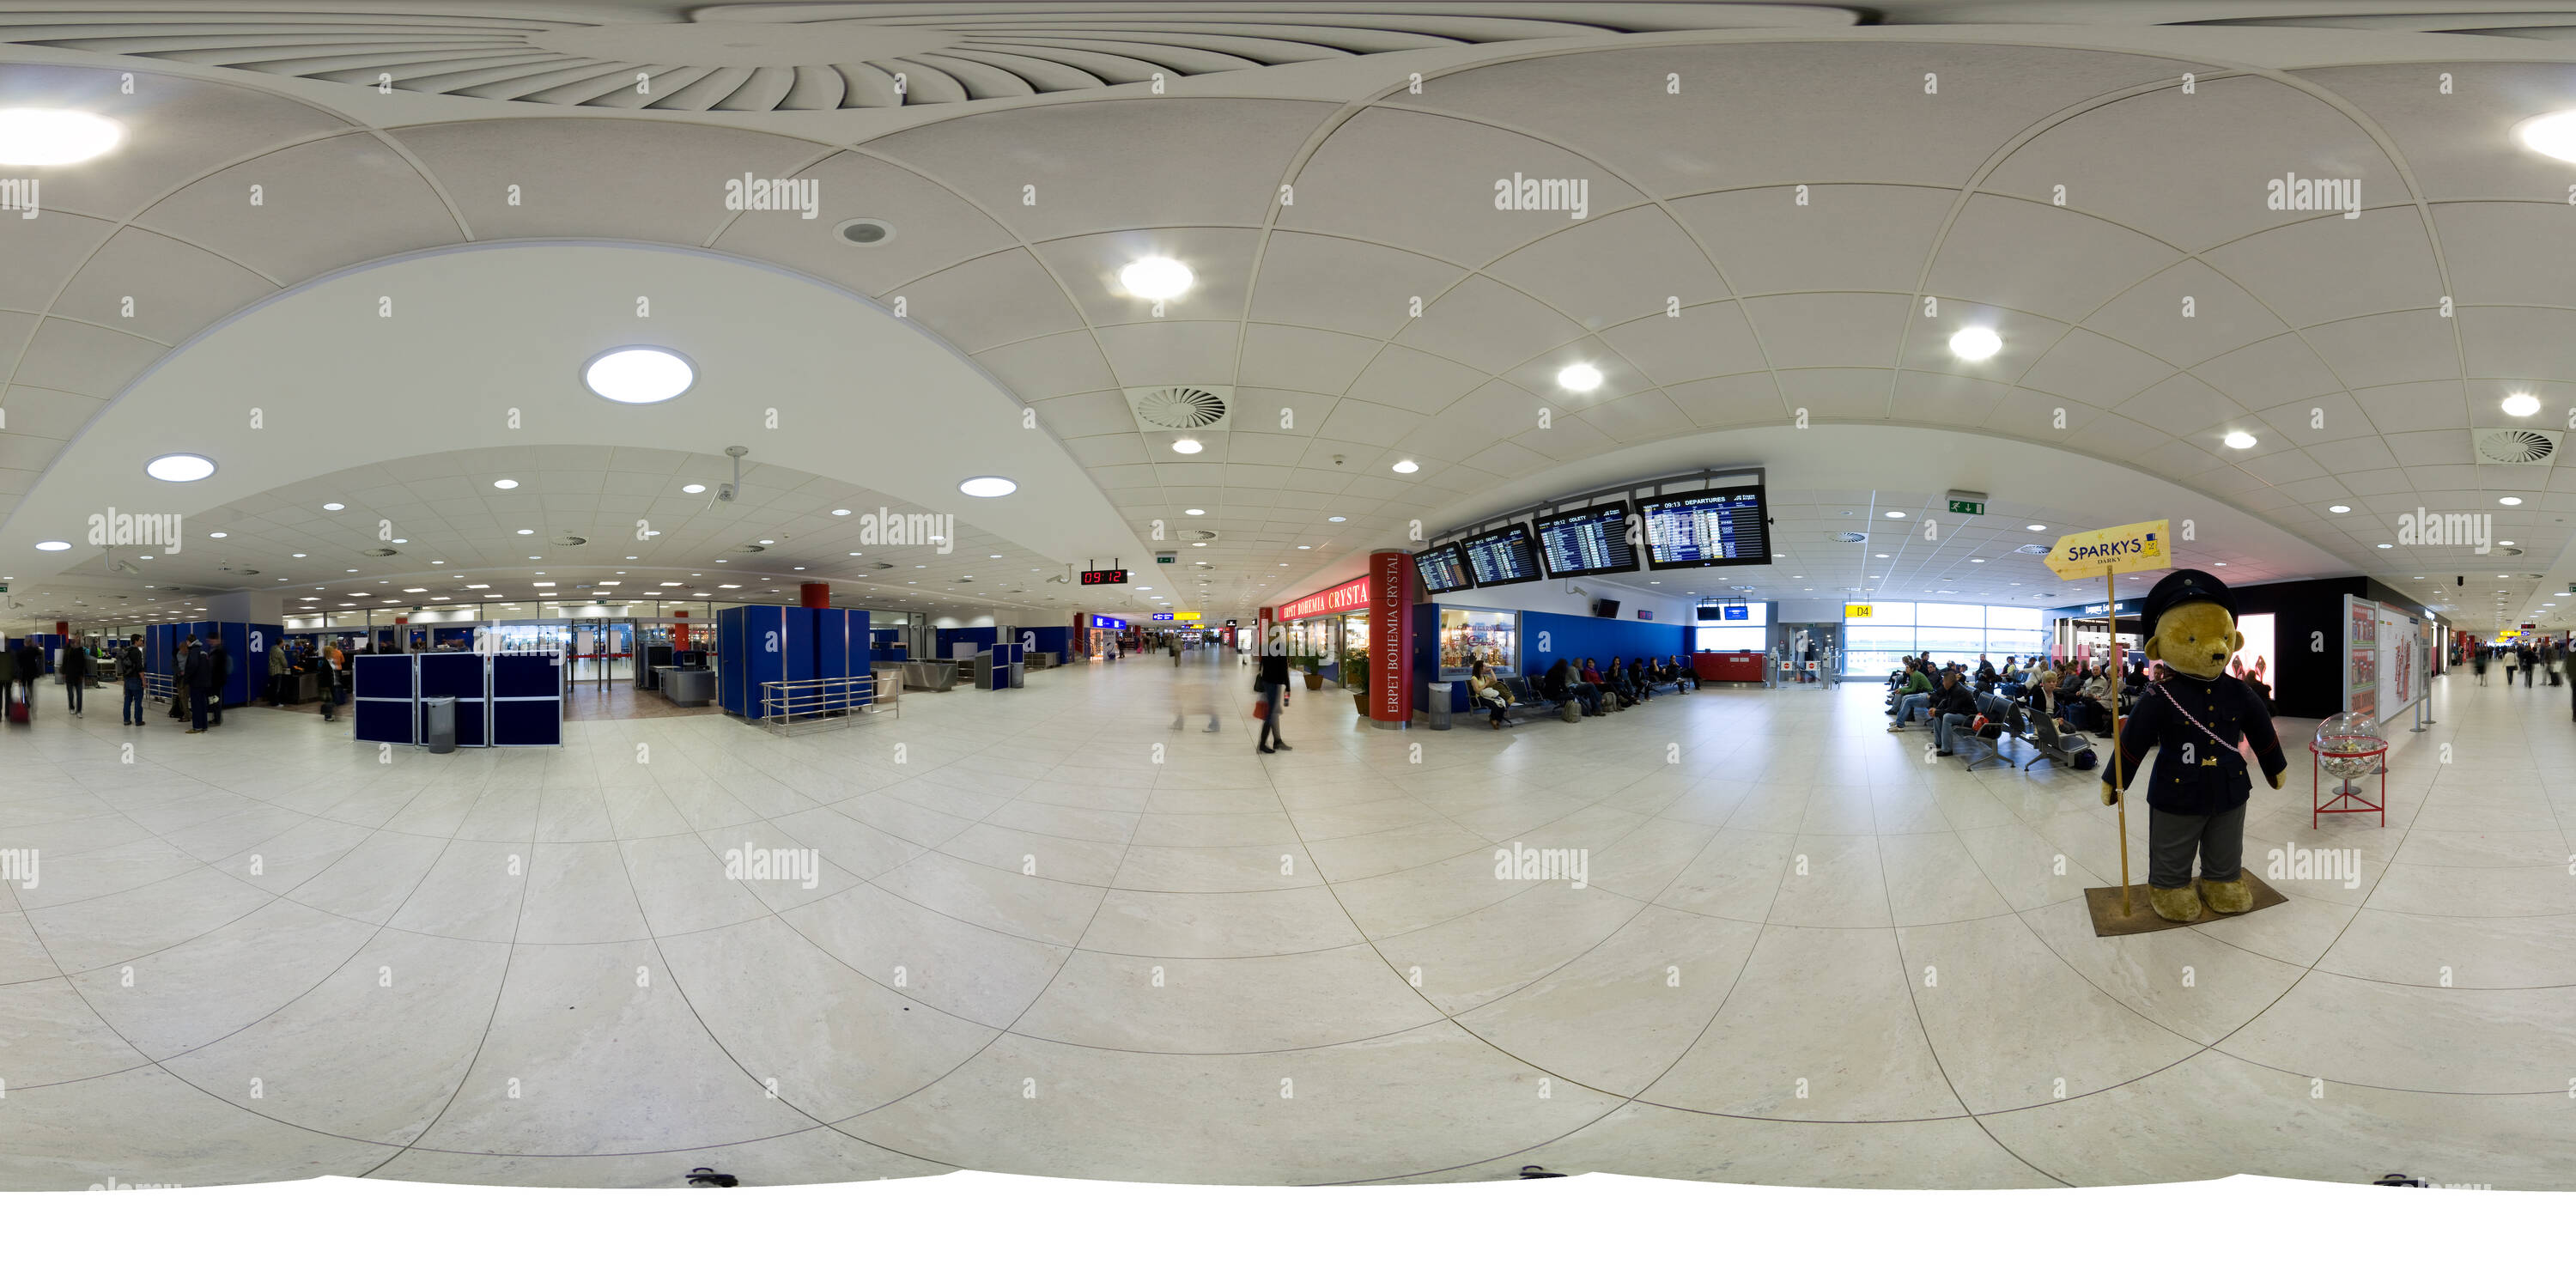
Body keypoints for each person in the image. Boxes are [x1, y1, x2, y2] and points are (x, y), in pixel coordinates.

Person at [1929, 671, 1978, 757]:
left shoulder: (1958, 691)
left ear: (1949, 682)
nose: (1943, 683)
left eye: (1944, 681)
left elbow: (1953, 710)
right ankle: (1938, 742)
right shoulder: (1952, 688)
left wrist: (1937, 712)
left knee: (1947, 717)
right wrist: (1936, 710)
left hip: (1969, 717)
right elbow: (1947, 703)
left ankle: (1947, 750)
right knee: (1937, 714)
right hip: (1960, 713)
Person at [1254, 644, 1290, 753]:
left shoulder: (1266, 647)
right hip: (1274, 683)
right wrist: (1288, 687)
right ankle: (1262, 744)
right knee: (1271, 713)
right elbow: (1284, 669)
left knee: (1273, 712)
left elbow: (1261, 665)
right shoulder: (1281, 649)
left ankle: (1277, 741)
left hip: (1266, 683)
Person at [183, 635, 212, 733]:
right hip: (204, 682)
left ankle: (197, 727)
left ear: (188, 642)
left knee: (196, 705)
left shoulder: (193, 651)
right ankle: (204, 726)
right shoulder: (202, 650)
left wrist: (186, 678)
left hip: (196, 683)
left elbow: (193, 665)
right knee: (203, 705)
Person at [1480, 660, 1521, 727]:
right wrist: (1486, 684)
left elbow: (1495, 680)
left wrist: (1491, 671)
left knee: (1503, 703)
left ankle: (1498, 719)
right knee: (1497, 704)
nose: (1486, 668)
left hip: (1491, 694)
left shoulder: (1486, 677)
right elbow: (1478, 690)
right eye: (1484, 666)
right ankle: (1494, 719)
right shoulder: (1476, 678)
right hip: (1484, 695)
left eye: (1486, 666)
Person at [119, 635, 145, 726]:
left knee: (127, 700)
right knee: (138, 701)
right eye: (140, 640)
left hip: (127, 679)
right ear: (136, 641)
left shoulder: (126, 650)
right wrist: (143, 681)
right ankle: (138, 721)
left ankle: (126, 720)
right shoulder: (137, 652)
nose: (142, 642)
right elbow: (139, 668)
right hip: (135, 679)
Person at [58, 637, 86, 717]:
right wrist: (64, 673)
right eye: (74, 640)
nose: (76, 641)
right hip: (69, 675)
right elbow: (64, 662)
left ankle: (79, 710)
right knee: (70, 694)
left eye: (77, 640)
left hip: (78, 676)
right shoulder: (67, 650)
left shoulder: (80, 650)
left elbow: (83, 663)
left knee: (79, 694)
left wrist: (82, 675)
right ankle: (71, 707)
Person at [207, 635, 230, 726]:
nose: (210, 642)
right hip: (216, 680)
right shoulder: (215, 650)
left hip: (216, 680)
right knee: (215, 700)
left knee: (216, 700)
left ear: (216, 640)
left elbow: (214, 667)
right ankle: (216, 718)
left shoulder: (219, 651)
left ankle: (217, 719)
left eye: (211, 640)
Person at [314, 646, 340, 722]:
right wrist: (324, 685)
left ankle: (329, 714)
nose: (333, 652)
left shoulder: (331, 661)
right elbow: (322, 674)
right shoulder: (323, 662)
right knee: (329, 701)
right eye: (331, 651)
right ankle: (328, 716)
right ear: (328, 652)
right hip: (327, 685)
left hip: (332, 683)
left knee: (332, 700)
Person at [268, 636, 291, 706]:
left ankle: (272, 702)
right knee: (277, 688)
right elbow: (284, 663)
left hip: (271, 670)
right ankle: (276, 703)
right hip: (278, 671)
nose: (284, 643)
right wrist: (286, 666)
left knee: (272, 687)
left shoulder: (272, 649)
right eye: (283, 642)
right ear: (281, 643)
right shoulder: (280, 651)